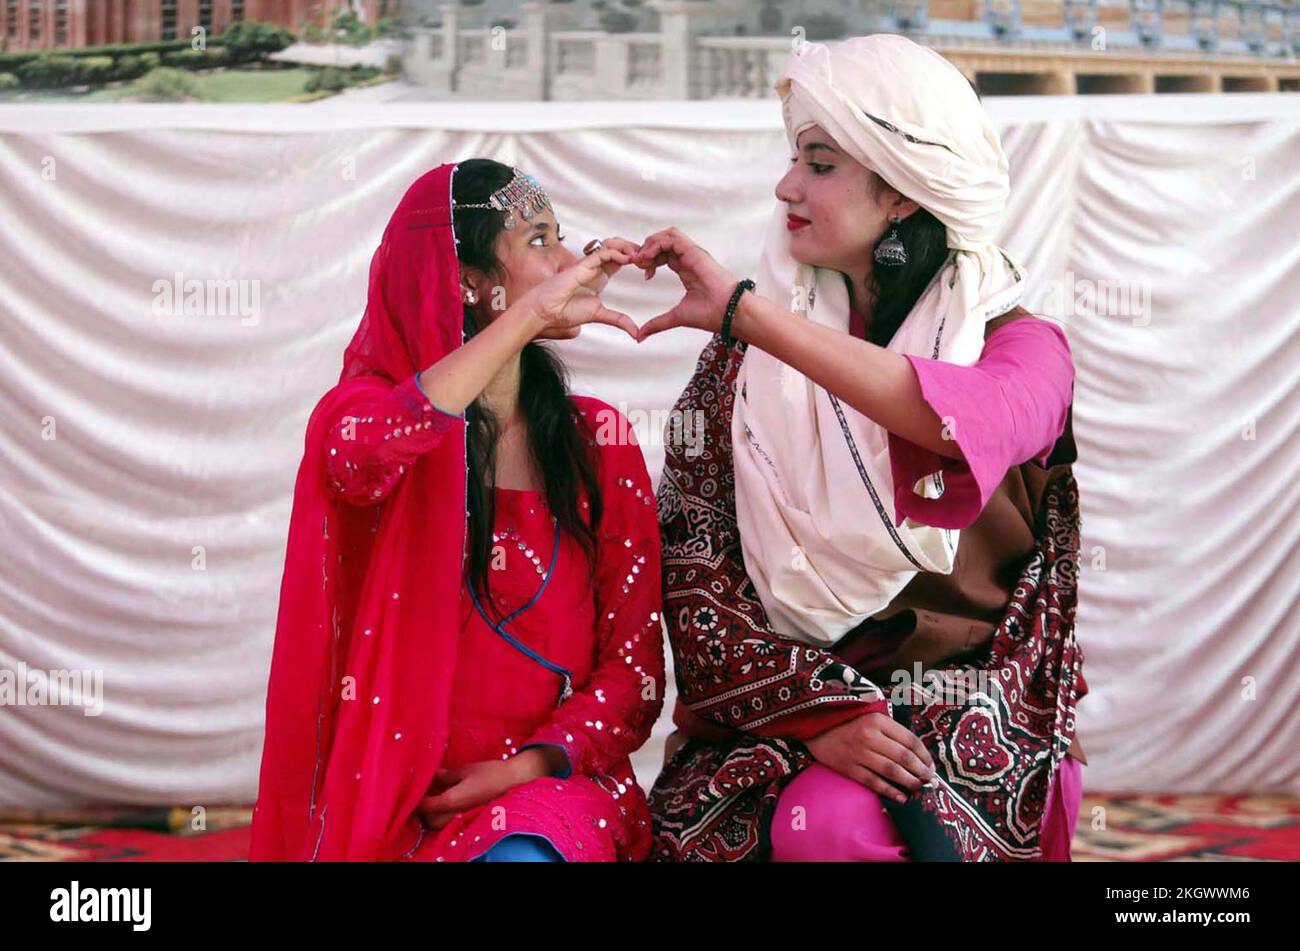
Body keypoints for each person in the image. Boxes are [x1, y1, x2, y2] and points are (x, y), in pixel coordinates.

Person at [638, 34, 1087, 861]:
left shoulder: (1022, 349)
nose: (786, 186)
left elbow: (962, 423)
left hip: (973, 705)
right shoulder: (743, 366)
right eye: (793, 160)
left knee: (839, 824)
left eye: (820, 163)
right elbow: (695, 567)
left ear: (904, 196)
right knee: (706, 825)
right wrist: (821, 712)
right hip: (777, 711)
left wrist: (747, 314)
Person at [249, 159, 665, 862]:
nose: (571, 265)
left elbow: (635, 674)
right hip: (393, 794)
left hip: (548, 791)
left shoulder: (599, 441)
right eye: (539, 241)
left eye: (563, 238)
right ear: (470, 282)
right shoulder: (362, 419)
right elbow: (369, 459)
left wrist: (523, 767)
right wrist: (529, 315)